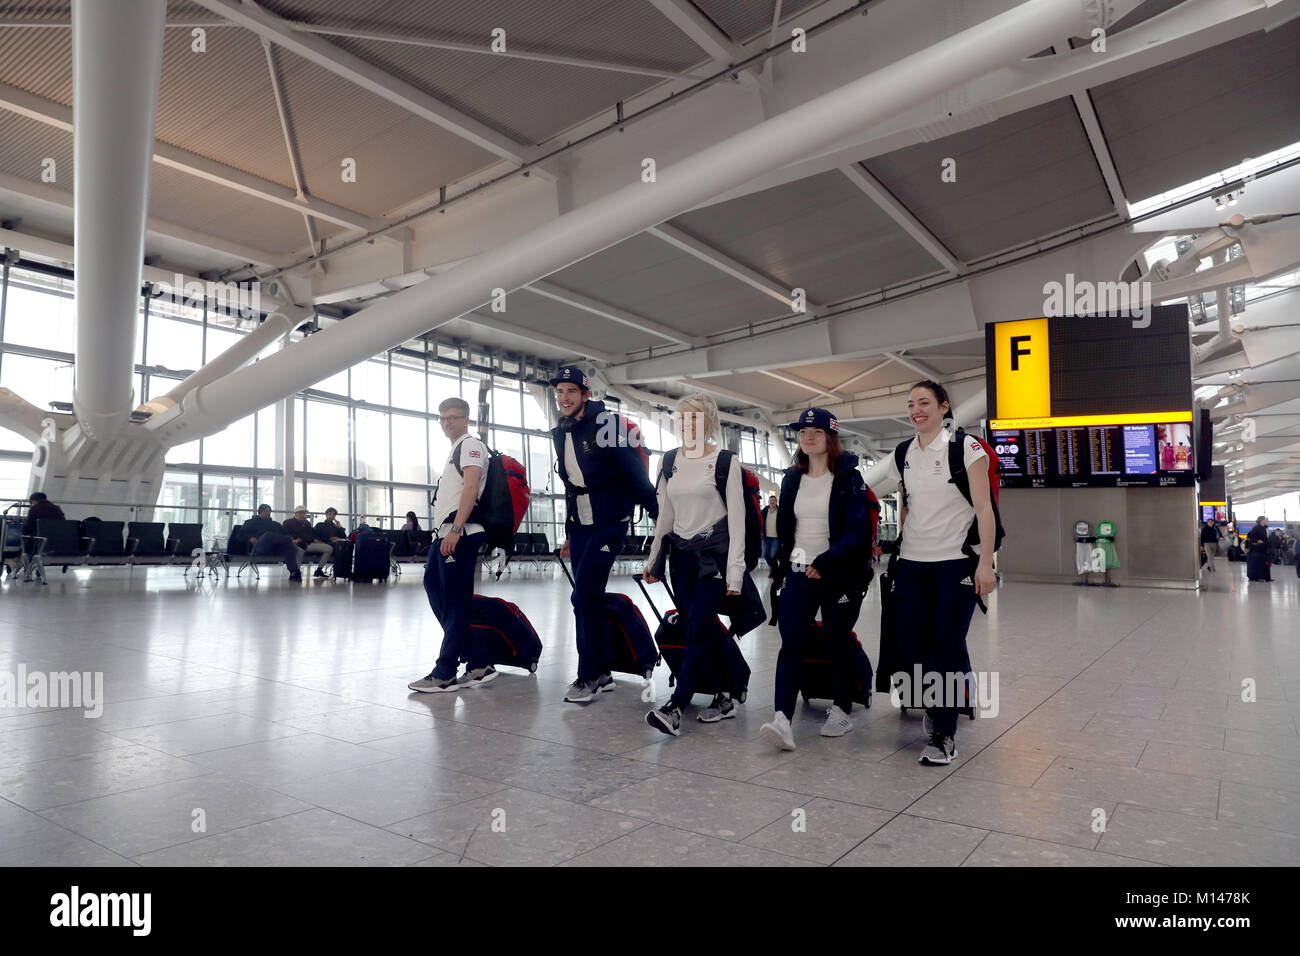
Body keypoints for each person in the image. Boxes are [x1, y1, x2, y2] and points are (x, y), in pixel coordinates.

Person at [863, 381, 997, 766]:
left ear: (943, 407)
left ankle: (944, 734)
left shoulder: (966, 448)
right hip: (912, 563)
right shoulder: (903, 453)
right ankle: (945, 702)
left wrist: (985, 563)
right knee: (912, 645)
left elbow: (984, 509)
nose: (916, 410)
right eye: (910, 404)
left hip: (956, 563)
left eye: (924, 402)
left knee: (946, 645)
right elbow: (903, 502)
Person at [759, 407, 872, 750]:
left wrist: (827, 560)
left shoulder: (849, 478)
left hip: (838, 572)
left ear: (830, 437)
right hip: (799, 571)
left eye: (816, 432)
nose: (807, 437)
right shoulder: (792, 478)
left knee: (837, 641)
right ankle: (782, 718)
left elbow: (857, 529)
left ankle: (841, 709)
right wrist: (785, 563)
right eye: (803, 432)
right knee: (791, 642)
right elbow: (786, 526)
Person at [550, 366, 658, 704]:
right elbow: (571, 485)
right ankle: (603, 670)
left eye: (571, 391)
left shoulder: (605, 426)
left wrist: (662, 520)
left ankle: (591, 674)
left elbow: (636, 476)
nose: (564, 397)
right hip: (580, 524)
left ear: (586, 395)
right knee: (585, 597)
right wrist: (569, 532)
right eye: (560, 391)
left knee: (584, 595)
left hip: (610, 521)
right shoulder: (561, 431)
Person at [642, 393, 747, 736]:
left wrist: (735, 575)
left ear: (709, 422)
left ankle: (676, 707)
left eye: (695, 418)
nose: (687, 424)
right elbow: (665, 516)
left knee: (698, 628)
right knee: (698, 626)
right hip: (681, 559)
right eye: (682, 418)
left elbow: (738, 524)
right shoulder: (669, 461)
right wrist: (654, 560)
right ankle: (728, 689)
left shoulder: (725, 462)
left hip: (713, 560)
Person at [408, 398, 499, 693]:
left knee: (456, 601)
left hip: (461, 533)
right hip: (445, 534)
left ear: (466, 419)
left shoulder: (471, 445)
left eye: (453, 417)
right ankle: (478, 661)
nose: (447, 423)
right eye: (442, 418)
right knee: (437, 591)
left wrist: (457, 529)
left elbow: (471, 488)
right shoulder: (455, 449)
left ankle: (445, 672)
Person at [241, 504, 302, 581]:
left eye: (269, 511)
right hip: (259, 547)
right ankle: (290, 540)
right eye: (266, 511)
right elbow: (240, 534)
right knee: (268, 535)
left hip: (275, 548)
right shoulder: (250, 522)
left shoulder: (275, 524)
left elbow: (285, 534)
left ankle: (294, 572)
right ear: (260, 512)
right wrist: (249, 538)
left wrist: (289, 538)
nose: (268, 513)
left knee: (289, 547)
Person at [283, 505, 333, 578]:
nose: (303, 514)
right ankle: (295, 572)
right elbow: (285, 534)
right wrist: (293, 540)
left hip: (307, 543)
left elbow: (311, 534)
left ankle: (319, 570)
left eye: (304, 513)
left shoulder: (307, 523)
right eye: (300, 513)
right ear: (296, 513)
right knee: (299, 550)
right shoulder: (288, 522)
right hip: (295, 544)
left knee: (328, 548)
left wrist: (315, 540)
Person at [1245, 516, 1271, 582]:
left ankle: (1265, 577)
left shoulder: (1263, 528)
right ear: (1262, 520)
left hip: (1263, 549)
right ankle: (1257, 577)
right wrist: (1257, 541)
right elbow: (1251, 538)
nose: (1267, 521)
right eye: (1265, 520)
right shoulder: (1257, 528)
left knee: (1264, 563)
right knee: (1258, 564)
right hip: (1258, 549)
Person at [761, 493, 779, 569]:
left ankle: (773, 572)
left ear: (776, 502)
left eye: (773, 500)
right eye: (770, 500)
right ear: (768, 502)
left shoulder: (779, 512)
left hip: (775, 538)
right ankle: (775, 569)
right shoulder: (764, 511)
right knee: (765, 555)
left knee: (773, 556)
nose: (772, 502)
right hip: (766, 538)